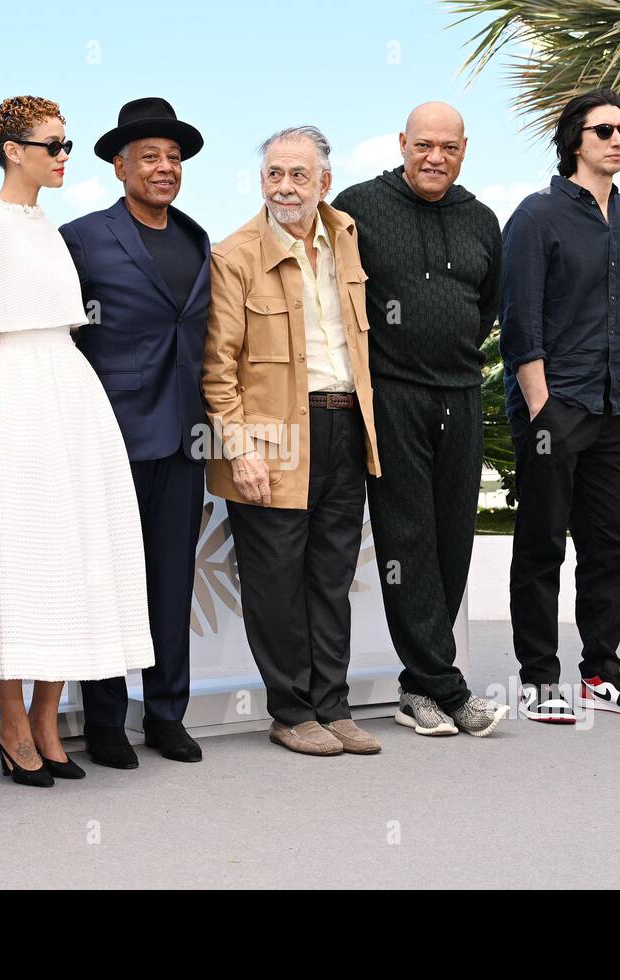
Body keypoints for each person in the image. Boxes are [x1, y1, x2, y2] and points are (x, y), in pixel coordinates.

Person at [0, 96, 155, 786]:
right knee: (9, 560)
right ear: (14, 150)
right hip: (14, 393)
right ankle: (11, 720)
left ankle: (49, 722)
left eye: (66, 145)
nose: (63, 157)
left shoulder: (46, 227)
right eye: (52, 145)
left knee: (64, 555)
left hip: (67, 392)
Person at [332, 101, 509, 738]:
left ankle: (419, 686)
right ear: (402, 142)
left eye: (449, 148)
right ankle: (444, 687)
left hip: (461, 395)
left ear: (465, 149)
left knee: (453, 538)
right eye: (424, 145)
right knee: (407, 539)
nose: (435, 158)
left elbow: (486, 307)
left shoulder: (482, 220)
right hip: (392, 395)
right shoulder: (357, 204)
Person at [204, 127, 382, 757]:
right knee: (275, 581)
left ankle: (333, 706)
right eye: (274, 174)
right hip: (273, 432)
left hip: (344, 422)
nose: (285, 186)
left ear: (323, 182)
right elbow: (218, 368)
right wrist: (241, 448)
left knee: (332, 577)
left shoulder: (347, 240)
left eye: (298, 175)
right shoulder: (235, 255)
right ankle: (290, 711)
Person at [499, 88, 620, 722]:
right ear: (576, 141)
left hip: (611, 407)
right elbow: (521, 319)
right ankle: (539, 679)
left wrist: (618, 399)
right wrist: (542, 407)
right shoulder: (538, 214)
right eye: (605, 131)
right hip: (556, 405)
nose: (619, 139)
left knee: (611, 543)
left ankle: (601, 671)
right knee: (542, 543)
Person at [59, 98, 210, 769]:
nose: (164, 167)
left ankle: (166, 714)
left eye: (173, 157)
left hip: (184, 434)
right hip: (109, 433)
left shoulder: (198, 237)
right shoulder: (82, 237)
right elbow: (59, 335)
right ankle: (104, 721)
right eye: (149, 156)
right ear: (120, 166)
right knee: (108, 580)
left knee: (172, 579)